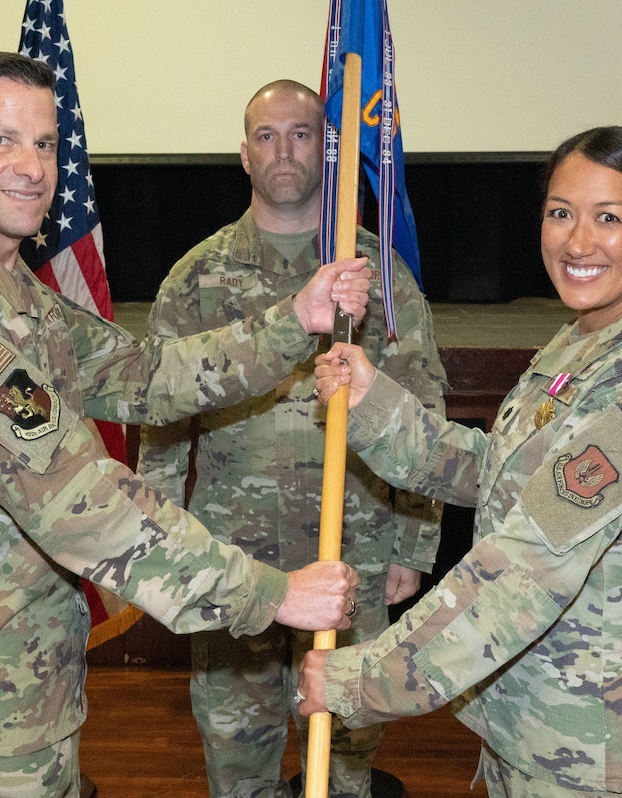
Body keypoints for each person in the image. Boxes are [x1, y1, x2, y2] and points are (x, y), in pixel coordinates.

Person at [0, 52, 373, 798]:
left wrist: (294, 322)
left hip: (18, 685)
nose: (32, 167)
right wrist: (270, 594)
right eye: (2, 141)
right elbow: (83, 502)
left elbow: (142, 374)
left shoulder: (7, 288)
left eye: (46, 144)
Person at [298, 126, 622, 797]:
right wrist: (374, 402)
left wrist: (363, 678)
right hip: (532, 730)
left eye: (608, 218)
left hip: (596, 755)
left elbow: (525, 568)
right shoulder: (583, 344)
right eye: (560, 213)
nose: (577, 242)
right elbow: (503, 472)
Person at [136, 80, 448, 798]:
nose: (285, 150)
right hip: (231, 566)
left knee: (344, 760)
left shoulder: (374, 276)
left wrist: (413, 545)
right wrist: (159, 546)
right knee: (236, 756)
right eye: (267, 136)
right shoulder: (196, 279)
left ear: (327, 151)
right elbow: (160, 416)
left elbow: (423, 412)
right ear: (244, 155)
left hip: (351, 558)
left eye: (302, 134)